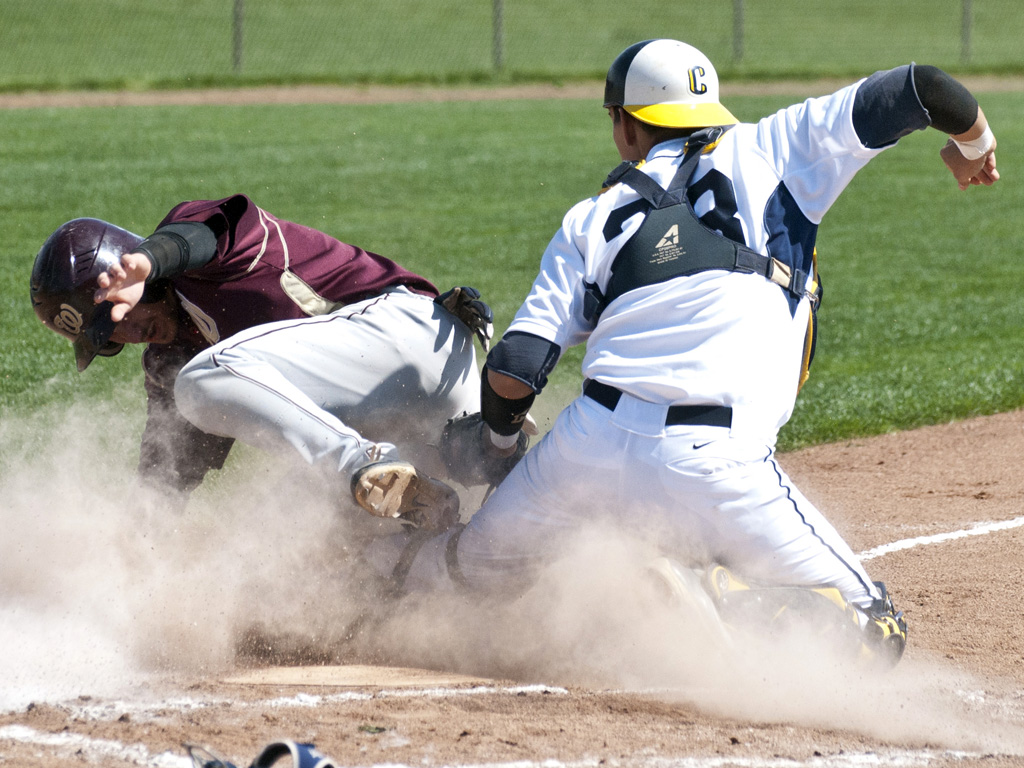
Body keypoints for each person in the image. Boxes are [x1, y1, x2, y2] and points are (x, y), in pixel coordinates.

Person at [369, 40, 1000, 662]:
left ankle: (351, 581)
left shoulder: (592, 218)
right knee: (873, 634)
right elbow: (924, 88)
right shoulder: (776, 145)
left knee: (458, 575)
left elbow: (516, 367)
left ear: (624, 125)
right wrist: (973, 146)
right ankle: (715, 594)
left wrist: (500, 446)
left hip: (584, 451)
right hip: (716, 463)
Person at [30, 194, 494, 529]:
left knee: (199, 382)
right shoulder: (169, 359)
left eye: (119, 314)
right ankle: (451, 511)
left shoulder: (195, 254)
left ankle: (362, 462)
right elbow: (164, 480)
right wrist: (131, 553)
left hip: (407, 338)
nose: (128, 334)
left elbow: (197, 237)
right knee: (286, 544)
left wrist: (148, 261)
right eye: (109, 338)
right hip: (419, 423)